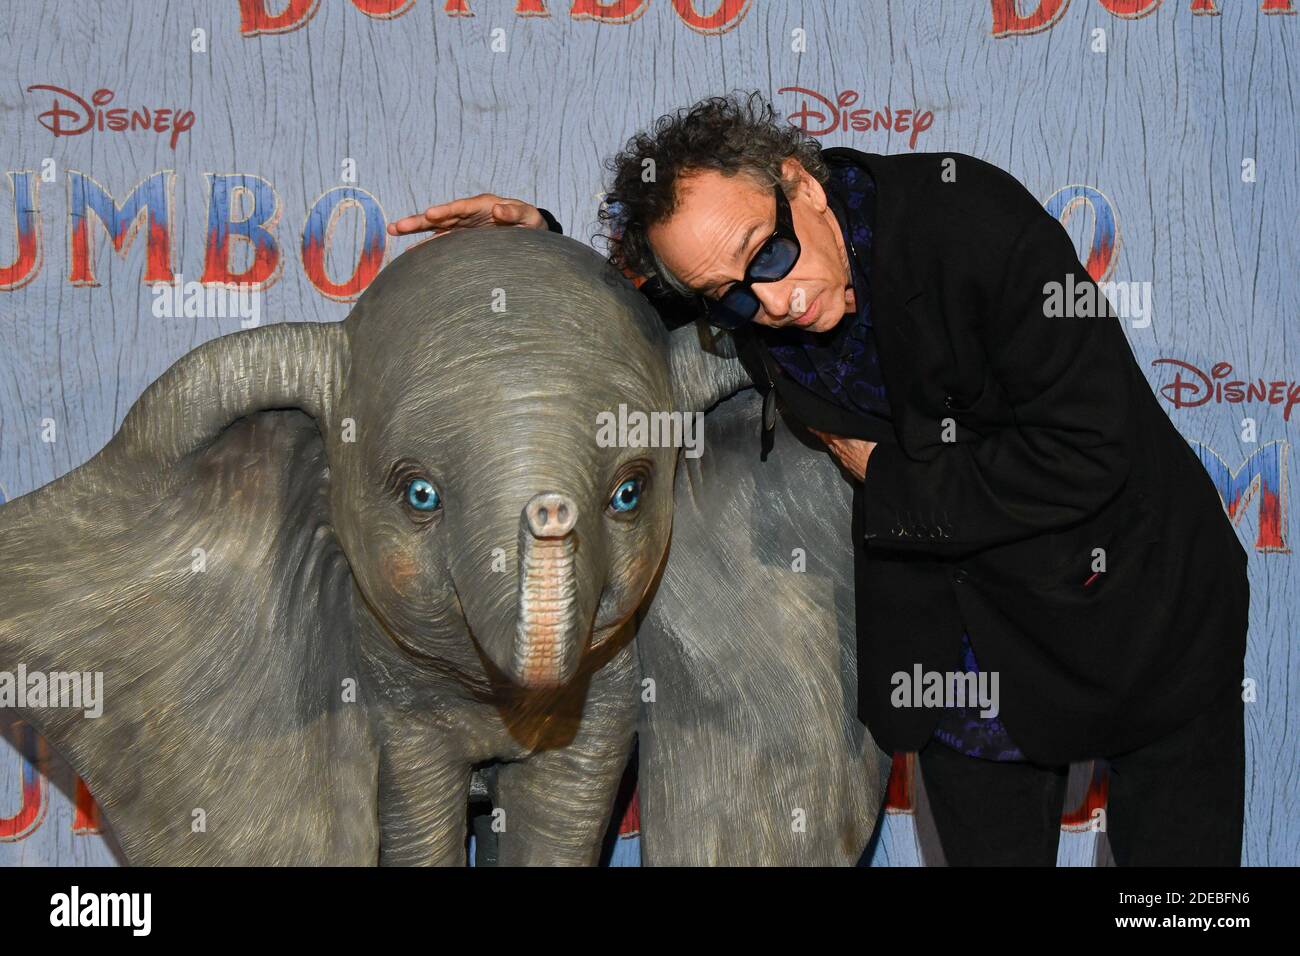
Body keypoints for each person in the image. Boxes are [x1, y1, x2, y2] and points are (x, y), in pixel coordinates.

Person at [388, 91, 1249, 866]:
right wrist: (542, 253)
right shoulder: (743, 273)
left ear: (800, 183)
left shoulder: (970, 221)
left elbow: (1091, 449)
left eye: (766, 259)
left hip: (1140, 610)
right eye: (729, 296)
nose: (771, 305)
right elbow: (647, 308)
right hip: (968, 656)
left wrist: (893, 475)